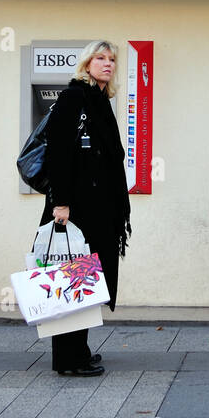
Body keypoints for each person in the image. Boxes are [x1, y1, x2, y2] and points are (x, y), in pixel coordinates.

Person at [41, 40, 132, 375]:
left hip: (99, 208)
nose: (107, 64)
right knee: (72, 282)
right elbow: (59, 154)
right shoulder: (73, 98)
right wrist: (61, 203)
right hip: (76, 208)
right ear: (86, 63)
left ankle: (79, 348)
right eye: (100, 58)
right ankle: (68, 359)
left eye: (111, 59)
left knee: (86, 282)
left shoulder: (98, 99)